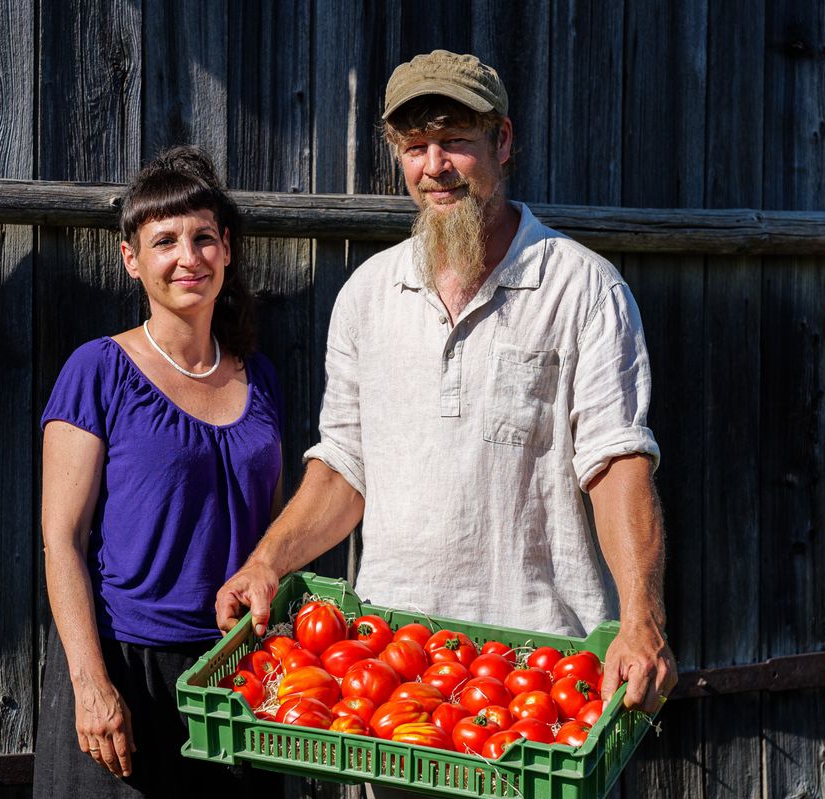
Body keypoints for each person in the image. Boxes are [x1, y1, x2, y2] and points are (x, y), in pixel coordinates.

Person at [216, 50, 677, 716]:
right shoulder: (368, 295)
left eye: (455, 142)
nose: (434, 166)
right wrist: (267, 561)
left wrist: (641, 615)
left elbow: (617, 464)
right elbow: (345, 468)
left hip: (538, 672)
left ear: (504, 141)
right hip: (388, 666)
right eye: (415, 146)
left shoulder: (581, 289)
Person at [34, 146, 283, 797]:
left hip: (236, 679)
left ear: (227, 249)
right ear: (132, 259)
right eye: (165, 240)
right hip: (127, 672)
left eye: (203, 237)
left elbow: (269, 537)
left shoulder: (262, 379)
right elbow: (62, 539)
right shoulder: (97, 370)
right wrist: (92, 685)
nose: (188, 256)